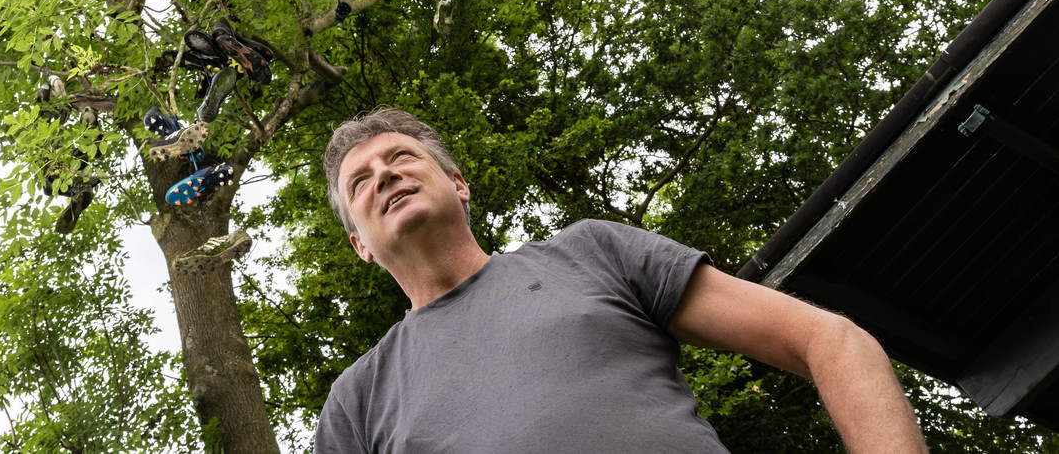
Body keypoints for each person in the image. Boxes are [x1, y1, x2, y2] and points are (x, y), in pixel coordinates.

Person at [314, 107, 928, 454]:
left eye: (400, 158)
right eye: (360, 181)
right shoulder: (355, 402)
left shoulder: (589, 253)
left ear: (459, 184)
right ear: (360, 245)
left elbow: (831, 339)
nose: (385, 175)